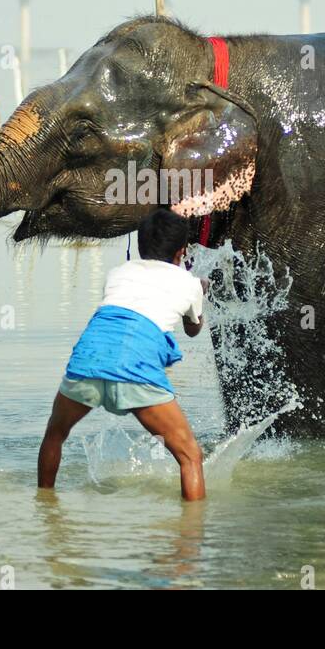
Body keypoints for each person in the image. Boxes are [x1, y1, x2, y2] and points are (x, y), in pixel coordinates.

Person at [37, 208, 210, 501]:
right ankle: (190, 541)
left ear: (141, 247)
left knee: (55, 435)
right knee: (190, 456)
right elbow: (193, 330)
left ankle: (45, 510)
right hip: (136, 371)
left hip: (87, 364)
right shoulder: (190, 283)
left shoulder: (117, 273)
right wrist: (200, 293)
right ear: (182, 252)